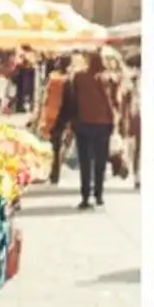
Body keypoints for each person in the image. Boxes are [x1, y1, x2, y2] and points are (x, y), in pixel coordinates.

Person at [67, 50, 120, 209]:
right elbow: (115, 102)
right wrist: (115, 122)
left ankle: (85, 196)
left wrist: (72, 122)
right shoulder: (110, 79)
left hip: (83, 123)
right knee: (100, 162)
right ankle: (99, 194)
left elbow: (73, 100)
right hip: (103, 124)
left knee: (85, 161)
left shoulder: (79, 77)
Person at [42, 57, 75, 184]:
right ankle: (55, 173)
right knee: (58, 146)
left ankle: (53, 173)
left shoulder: (53, 78)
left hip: (53, 115)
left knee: (54, 146)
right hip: (63, 116)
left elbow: (46, 98)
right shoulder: (69, 79)